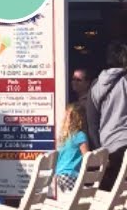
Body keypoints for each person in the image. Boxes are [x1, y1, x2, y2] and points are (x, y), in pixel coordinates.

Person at [87, 42, 127, 192]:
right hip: (125, 143)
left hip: (107, 148)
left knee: (110, 195)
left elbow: (92, 123)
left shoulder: (96, 85)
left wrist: (99, 151)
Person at [54, 104, 91, 192]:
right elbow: (87, 156)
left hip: (60, 174)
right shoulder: (80, 136)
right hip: (72, 174)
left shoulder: (64, 137)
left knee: (70, 199)